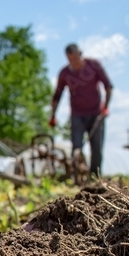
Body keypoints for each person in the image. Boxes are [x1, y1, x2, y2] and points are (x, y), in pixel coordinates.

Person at [50, 43, 113, 178]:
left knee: (96, 147)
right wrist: (53, 115)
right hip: (77, 115)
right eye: (70, 59)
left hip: (96, 113)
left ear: (80, 54)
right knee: (76, 147)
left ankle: (95, 178)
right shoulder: (65, 73)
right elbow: (57, 95)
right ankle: (76, 176)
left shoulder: (93, 65)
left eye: (75, 58)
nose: (74, 62)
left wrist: (106, 106)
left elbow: (108, 86)